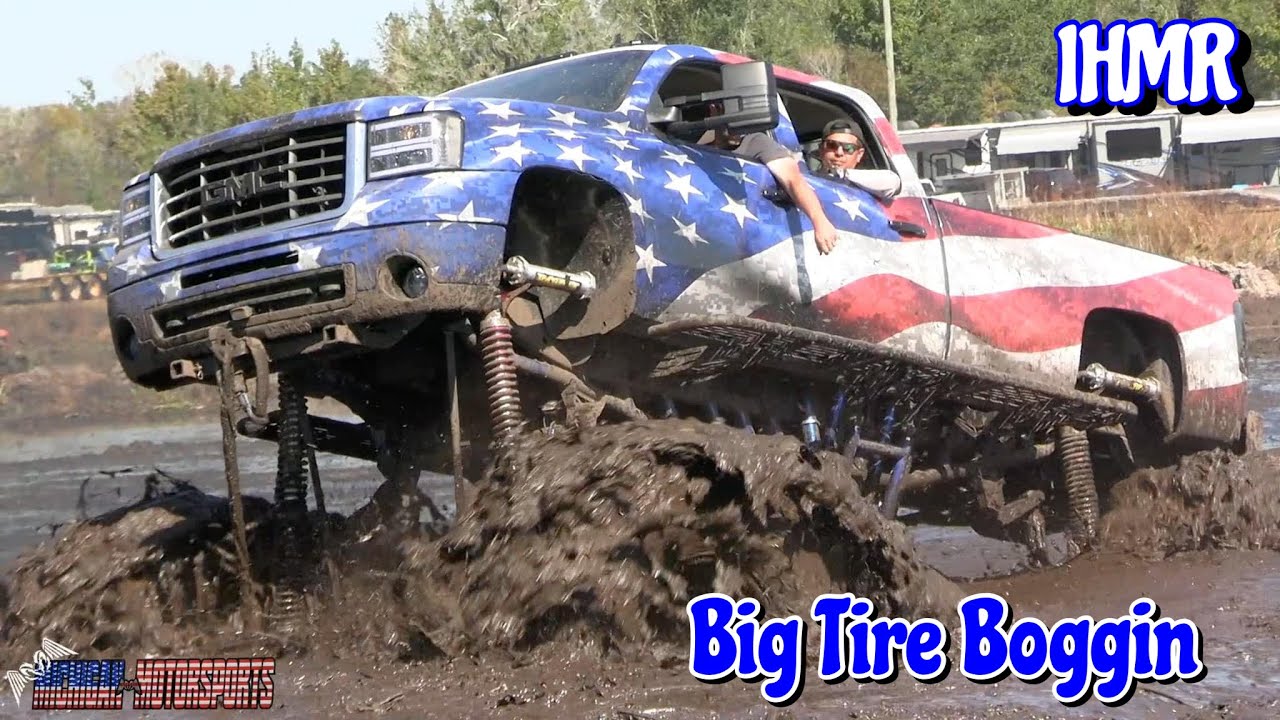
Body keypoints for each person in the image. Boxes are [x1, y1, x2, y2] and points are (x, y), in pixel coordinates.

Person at [702, 122, 840, 255]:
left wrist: (819, 220)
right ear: (714, 110)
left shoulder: (756, 142)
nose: (737, 127)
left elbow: (793, 180)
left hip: (745, 241)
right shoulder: (699, 149)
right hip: (709, 236)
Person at [814, 119, 902, 201]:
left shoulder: (867, 183)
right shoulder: (807, 181)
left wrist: (842, 174)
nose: (839, 152)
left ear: (859, 154)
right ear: (821, 149)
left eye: (848, 148)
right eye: (831, 145)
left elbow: (893, 182)